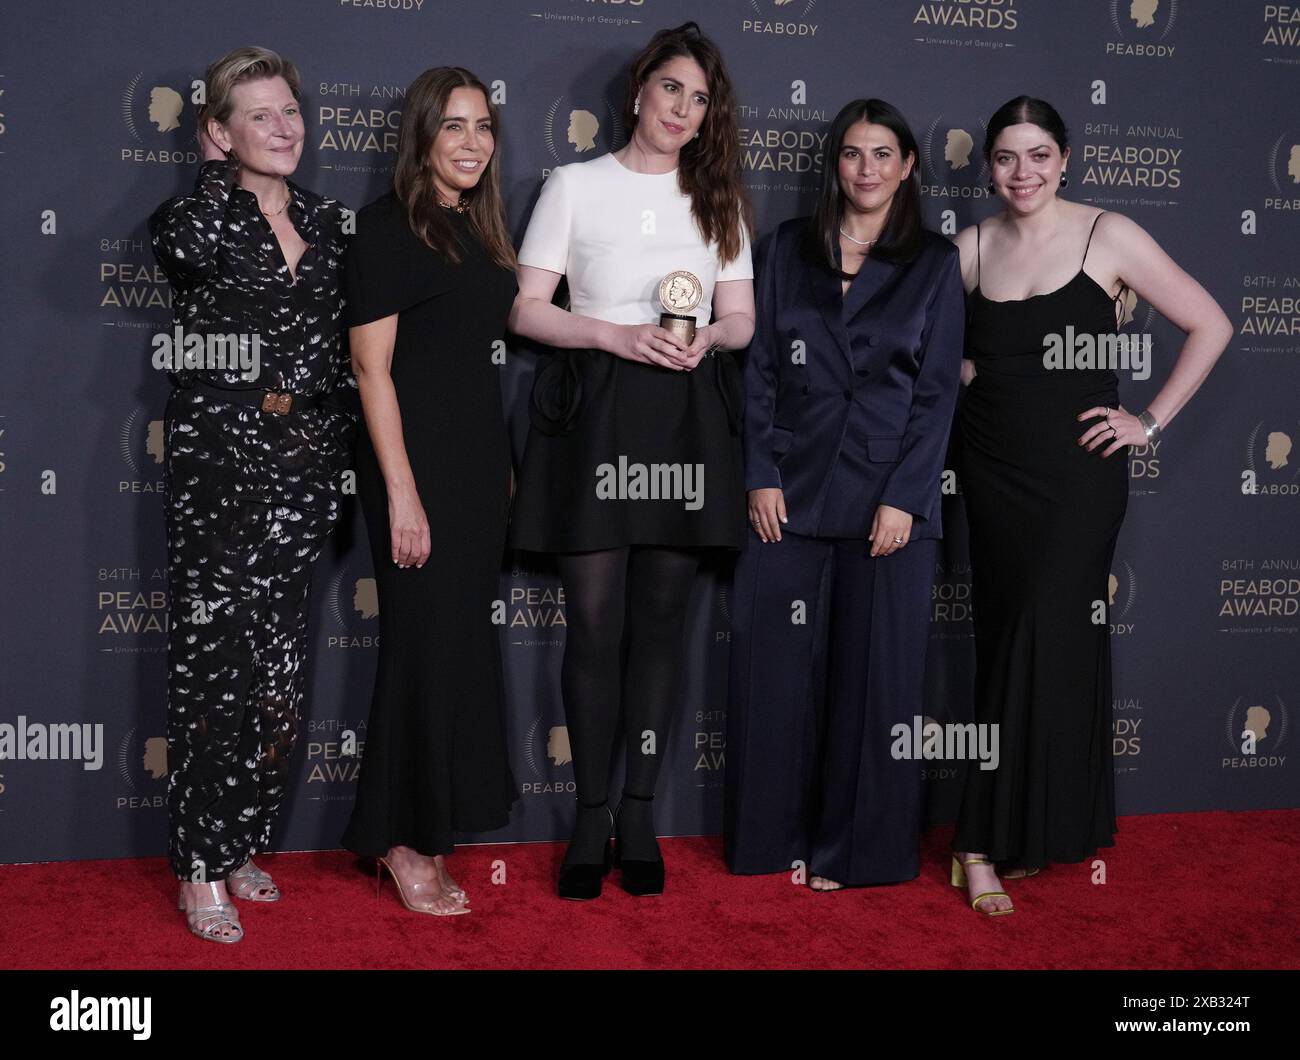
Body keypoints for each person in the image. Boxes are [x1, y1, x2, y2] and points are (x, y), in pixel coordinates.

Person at [949, 96, 1231, 915]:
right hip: (991, 472)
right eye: (1006, 157)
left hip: (1077, 479)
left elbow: (1209, 322)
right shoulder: (968, 247)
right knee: (1007, 637)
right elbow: (929, 349)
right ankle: (1015, 830)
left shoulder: (1110, 234)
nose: (1023, 172)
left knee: (1051, 637)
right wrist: (972, 379)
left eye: (1038, 155)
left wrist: (1146, 422)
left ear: (1065, 158)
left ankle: (978, 841)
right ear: (990, 167)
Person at [507, 22, 755, 900]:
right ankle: (588, 815)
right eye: (671, 90)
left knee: (662, 625)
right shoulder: (574, 185)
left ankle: (640, 809)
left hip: (686, 419)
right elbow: (528, 311)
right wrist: (614, 333)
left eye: (699, 98)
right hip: (596, 416)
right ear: (638, 92)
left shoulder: (718, 197)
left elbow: (741, 319)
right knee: (595, 623)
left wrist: (707, 344)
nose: (683, 110)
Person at [725, 99, 965, 891]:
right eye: (852, 154)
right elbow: (756, 368)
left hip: (889, 504)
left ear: (907, 168)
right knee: (772, 672)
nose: (866, 169)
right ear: (836, 164)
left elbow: (936, 393)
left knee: (876, 684)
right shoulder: (787, 248)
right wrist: (759, 470)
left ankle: (856, 854)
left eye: (883, 154)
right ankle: (769, 843)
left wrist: (905, 496)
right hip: (786, 492)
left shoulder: (933, 262)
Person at [149, 46, 356, 943]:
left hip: (305, 462)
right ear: (221, 132)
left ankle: (238, 843)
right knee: (215, 668)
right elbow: (181, 252)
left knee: (278, 672)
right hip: (220, 464)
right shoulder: (197, 218)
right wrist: (213, 175)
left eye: (290, 112)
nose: (284, 129)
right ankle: (198, 868)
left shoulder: (328, 219)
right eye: (260, 116)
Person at [340, 67, 519, 916]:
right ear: (421, 135)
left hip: (478, 472)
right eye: (453, 126)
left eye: (483, 126)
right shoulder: (383, 230)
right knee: (419, 651)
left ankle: (430, 826)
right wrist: (403, 495)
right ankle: (402, 841)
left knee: (457, 655)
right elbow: (372, 372)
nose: (473, 142)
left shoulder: (478, 230)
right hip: (413, 472)